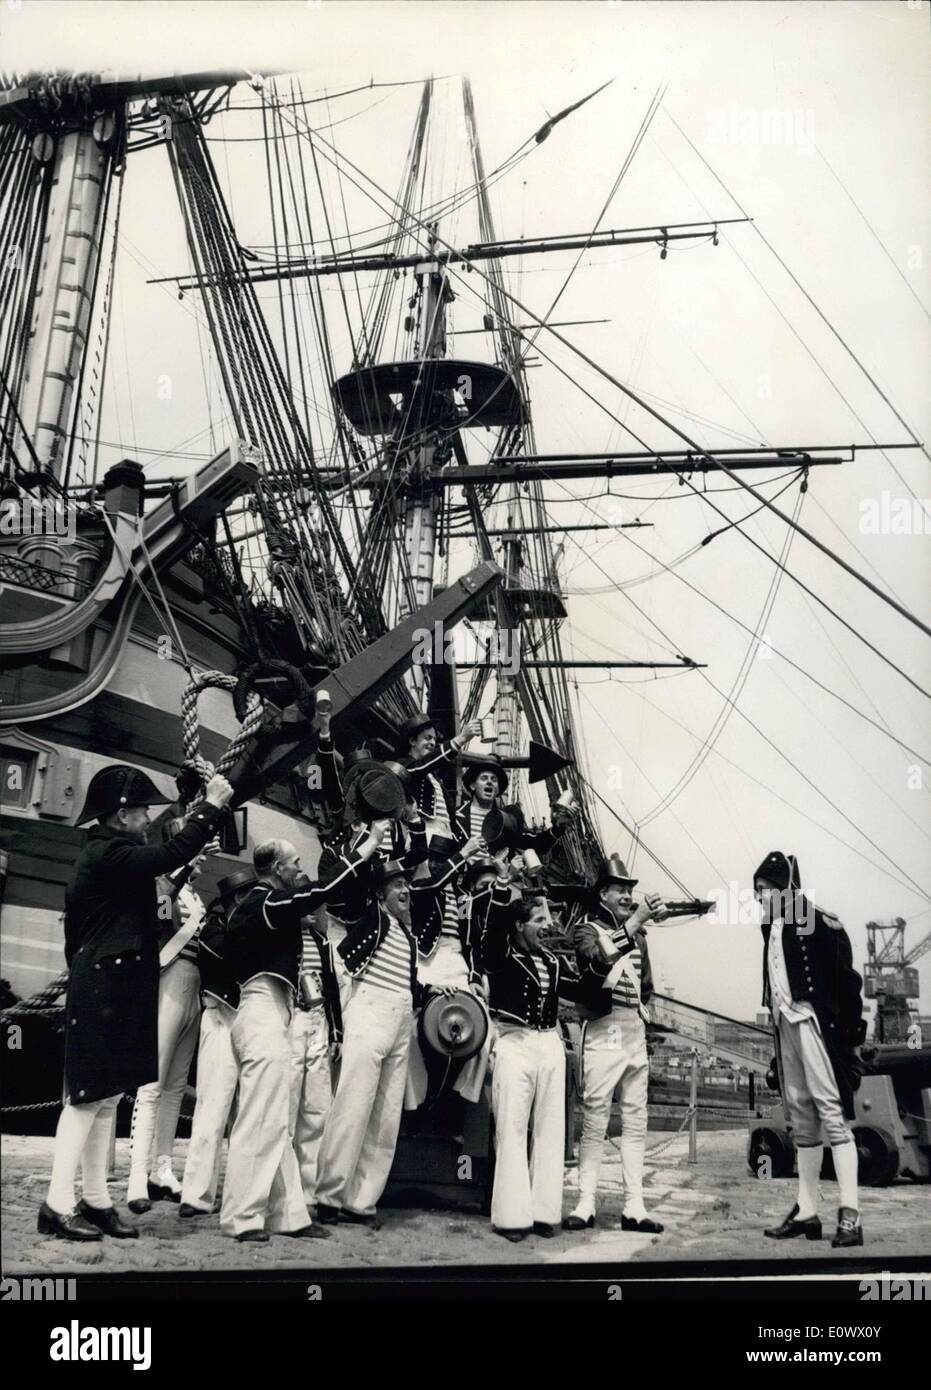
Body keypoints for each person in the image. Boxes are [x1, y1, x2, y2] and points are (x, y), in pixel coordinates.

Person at [38, 764, 232, 1241]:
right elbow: (168, 853)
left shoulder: (108, 855)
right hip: (106, 982)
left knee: (103, 1100)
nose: (149, 816)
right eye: (143, 809)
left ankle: (96, 1201)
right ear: (122, 815)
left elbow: (157, 884)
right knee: (86, 1100)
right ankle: (57, 1204)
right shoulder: (111, 853)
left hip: (110, 982)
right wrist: (212, 804)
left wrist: (188, 852)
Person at [219, 829, 385, 1241]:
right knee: (259, 1120)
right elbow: (322, 890)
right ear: (277, 869)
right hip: (261, 1011)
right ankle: (241, 1217)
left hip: (270, 1012)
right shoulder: (263, 902)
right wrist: (364, 849)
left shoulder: (265, 905)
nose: (299, 870)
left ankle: (289, 1215)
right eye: (294, 864)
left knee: (273, 1121)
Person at [754, 850, 866, 1249]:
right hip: (785, 1027)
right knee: (801, 1121)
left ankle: (850, 1216)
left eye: (765, 890)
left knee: (832, 1117)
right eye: (756, 892)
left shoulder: (817, 920)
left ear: (785, 889)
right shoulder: (770, 927)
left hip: (815, 1026)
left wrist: (852, 1035)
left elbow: (847, 981)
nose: (759, 898)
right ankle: (807, 1211)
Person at [314, 857, 423, 1228]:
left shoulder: (406, 934)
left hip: (399, 1017)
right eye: (396, 885)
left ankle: (361, 1200)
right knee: (353, 1104)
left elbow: (410, 982)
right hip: (370, 1009)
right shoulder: (373, 917)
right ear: (380, 893)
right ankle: (329, 1194)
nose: (405, 890)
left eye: (406, 884)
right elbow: (344, 962)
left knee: (386, 1115)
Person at [564, 855, 668, 1235]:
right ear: (603, 894)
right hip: (604, 1026)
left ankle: (634, 1206)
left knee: (636, 1120)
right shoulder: (586, 930)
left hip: (632, 1028)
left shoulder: (638, 937)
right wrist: (636, 921)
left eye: (630, 891)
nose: (627, 896)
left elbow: (647, 986)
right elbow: (593, 962)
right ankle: (585, 1202)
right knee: (595, 1117)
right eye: (620, 890)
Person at [479, 872, 583, 1243]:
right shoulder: (502, 954)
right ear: (520, 925)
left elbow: (583, 989)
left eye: (546, 920)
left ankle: (544, 1213)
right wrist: (512, 893)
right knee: (511, 1126)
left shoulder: (552, 962)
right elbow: (491, 935)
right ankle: (511, 1217)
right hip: (514, 1041)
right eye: (539, 920)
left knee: (550, 1128)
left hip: (549, 1042)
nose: (547, 926)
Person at [127, 820, 217, 1212]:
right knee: (152, 1083)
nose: (199, 862)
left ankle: (161, 1167)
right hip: (167, 982)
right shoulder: (161, 886)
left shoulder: (195, 896)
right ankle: (135, 1177)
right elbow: (161, 917)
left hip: (194, 986)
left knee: (176, 1086)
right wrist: (183, 866)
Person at [178, 868, 256, 1219]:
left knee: (247, 1115)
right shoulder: (215, 928)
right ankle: (196, 1195)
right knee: (212, 1109)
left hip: (251, 1022)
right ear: (238, 899)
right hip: (222, 1020)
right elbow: (224, 954)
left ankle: (241, 1194)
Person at [287, 903, 344, 1210]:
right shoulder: (284, 936)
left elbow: (332, 988)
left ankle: (310, 1188)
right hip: (293, 1019)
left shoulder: (323, 943)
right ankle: (285, 1186)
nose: (313, 911)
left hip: (318, 1020)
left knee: (318, 1106)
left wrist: (336, 1032)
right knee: (288, 1102)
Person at [398, 713, 482, 844]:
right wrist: (461, 739)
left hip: (442, 842)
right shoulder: (403, 767)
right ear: (412, 741)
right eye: (427, 738)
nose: (432, 743)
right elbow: (420, 767)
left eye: (434, 739)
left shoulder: (433, 777)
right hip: (420, 838)